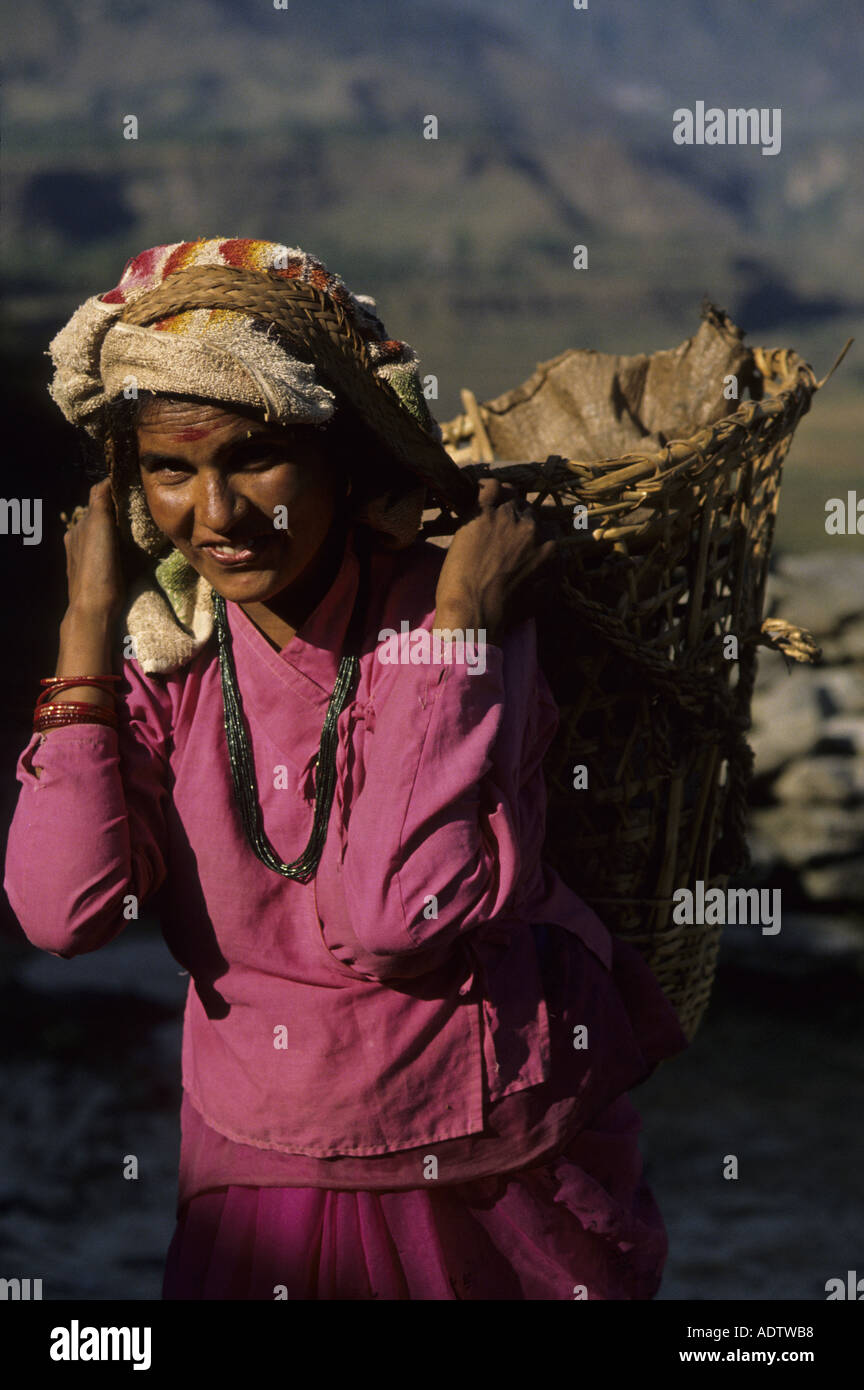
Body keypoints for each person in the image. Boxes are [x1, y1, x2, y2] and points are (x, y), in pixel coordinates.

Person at [4, 238, 687, 1300]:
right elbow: (61, 909)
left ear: (341, 457)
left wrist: (462, 621)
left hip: (475, 1152)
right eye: (172, 470)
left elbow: (397, 916)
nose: (219, 514)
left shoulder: (445, 611)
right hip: (256, 1154)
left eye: (254, 459)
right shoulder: (168, 649)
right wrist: (87, 620)